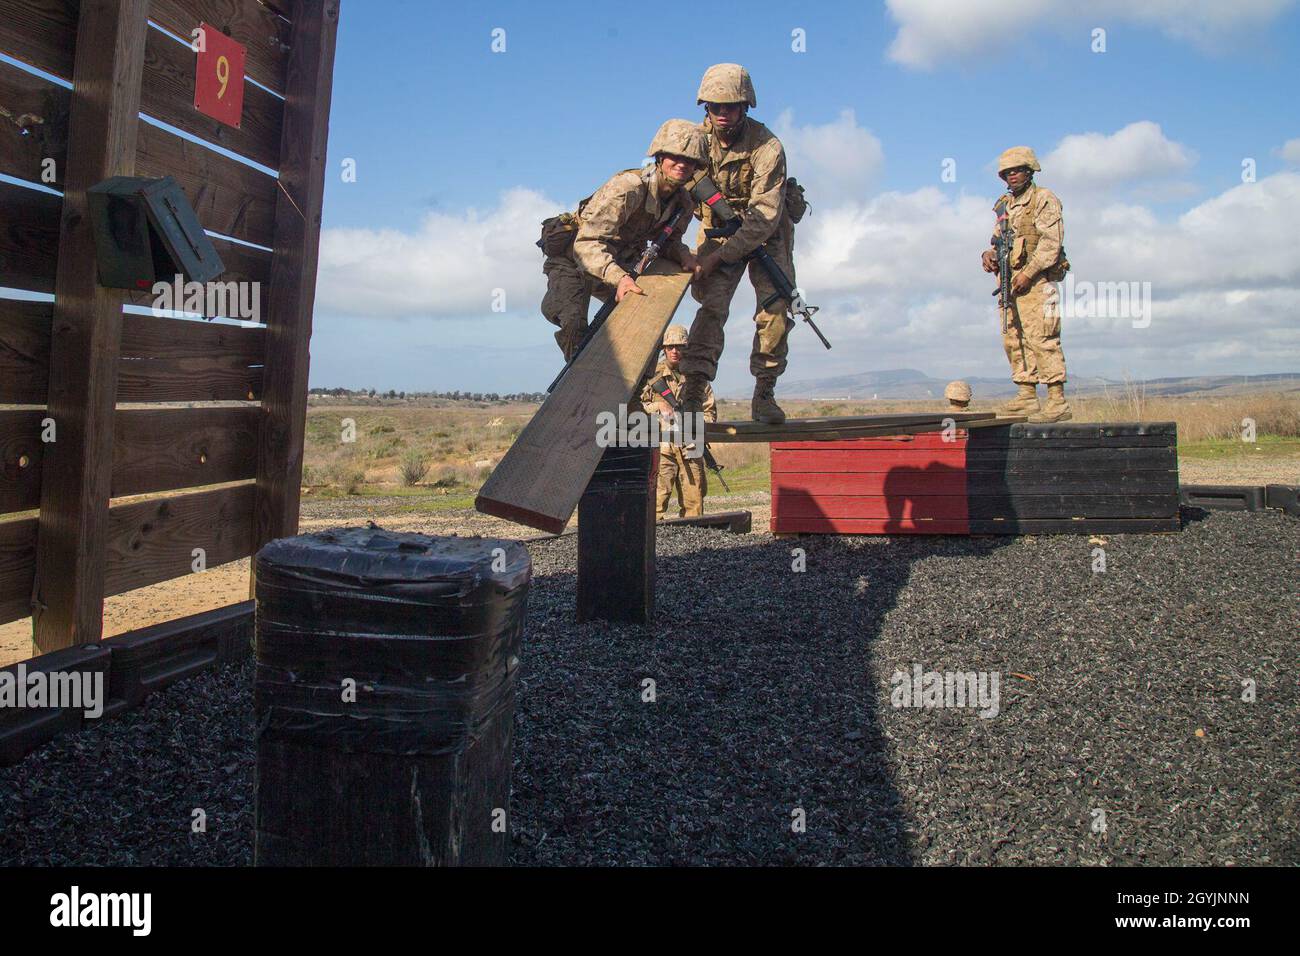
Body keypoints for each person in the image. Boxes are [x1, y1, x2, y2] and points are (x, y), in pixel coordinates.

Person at [677, 63, 796, 425]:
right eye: (715, 106)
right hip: (716, 227)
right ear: (705, 108)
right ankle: (693, 395)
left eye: (731, 106)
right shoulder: (694, 141)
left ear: (746, 106)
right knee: (711, 308)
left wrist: (720, 258)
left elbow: (763, 216)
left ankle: (764, 393)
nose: (723, 113)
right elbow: (679, 196)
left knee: (774, 309)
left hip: (766, 232)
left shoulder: (768, 147)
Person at [538, 119, 706, 361]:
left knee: (641, 317)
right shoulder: (629, 188)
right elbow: (587, 244)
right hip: (574, 261)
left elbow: (669, 240)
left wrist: (683, 255)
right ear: (660, 157)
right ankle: (579, 385)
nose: (681, 164)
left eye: (689, 160)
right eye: (674, 156)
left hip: (618, 265)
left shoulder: (683, 204)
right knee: (574, 326)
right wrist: (620, 279)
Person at [981, 146, 1073, 423]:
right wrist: (988, 255)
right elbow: (998, 240)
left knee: (1043, 338)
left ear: (1029, 171)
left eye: (1017, 170)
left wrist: (1029, 273)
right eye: (1007, 173)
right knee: (1013, 338)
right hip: (1010, 283)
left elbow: (1050, 244)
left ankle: (1057, 401)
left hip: (1037, 282)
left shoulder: (1044, 199)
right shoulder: (1004, 206)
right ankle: (1026, 395)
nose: (1012, 176)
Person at [640, 324, 717, 519]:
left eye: (680, 346)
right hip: (662, 449)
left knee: (694, 508)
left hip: (691, 448)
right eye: (670, 346)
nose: (675, 351)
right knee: (654, 508)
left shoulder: (697, 379)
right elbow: (636, 407)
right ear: (664, 349)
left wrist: (694, 427)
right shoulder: (651, 376)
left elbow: (710, 413)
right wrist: (658, 408)